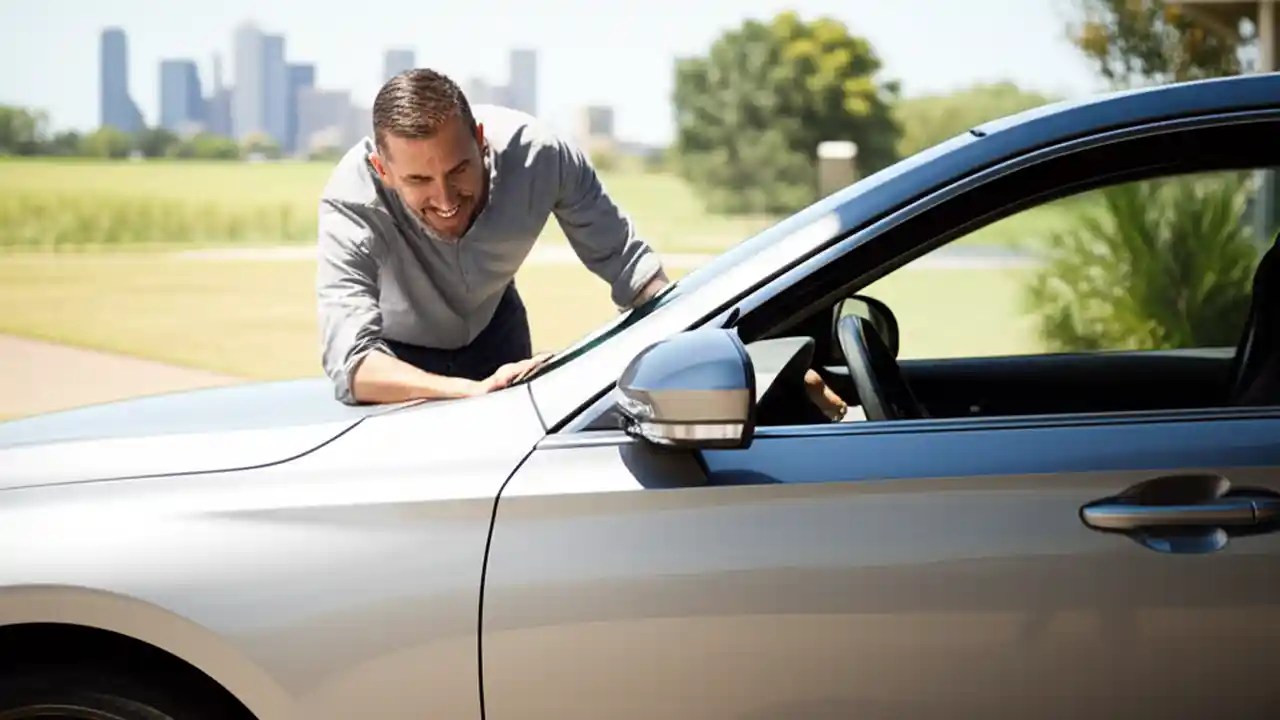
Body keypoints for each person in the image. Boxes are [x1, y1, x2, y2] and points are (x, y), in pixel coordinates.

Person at [316, 68, 669, 405]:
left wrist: (682, 343)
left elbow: (636, 274)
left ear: (480, 140)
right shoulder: (351, 200)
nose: (445, 199)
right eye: (419, 180)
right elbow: (353, 364)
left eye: (459, 170)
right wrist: (470, 392)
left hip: (497, 331)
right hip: (400, 363)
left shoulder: (542, 156)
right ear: (383, 171)